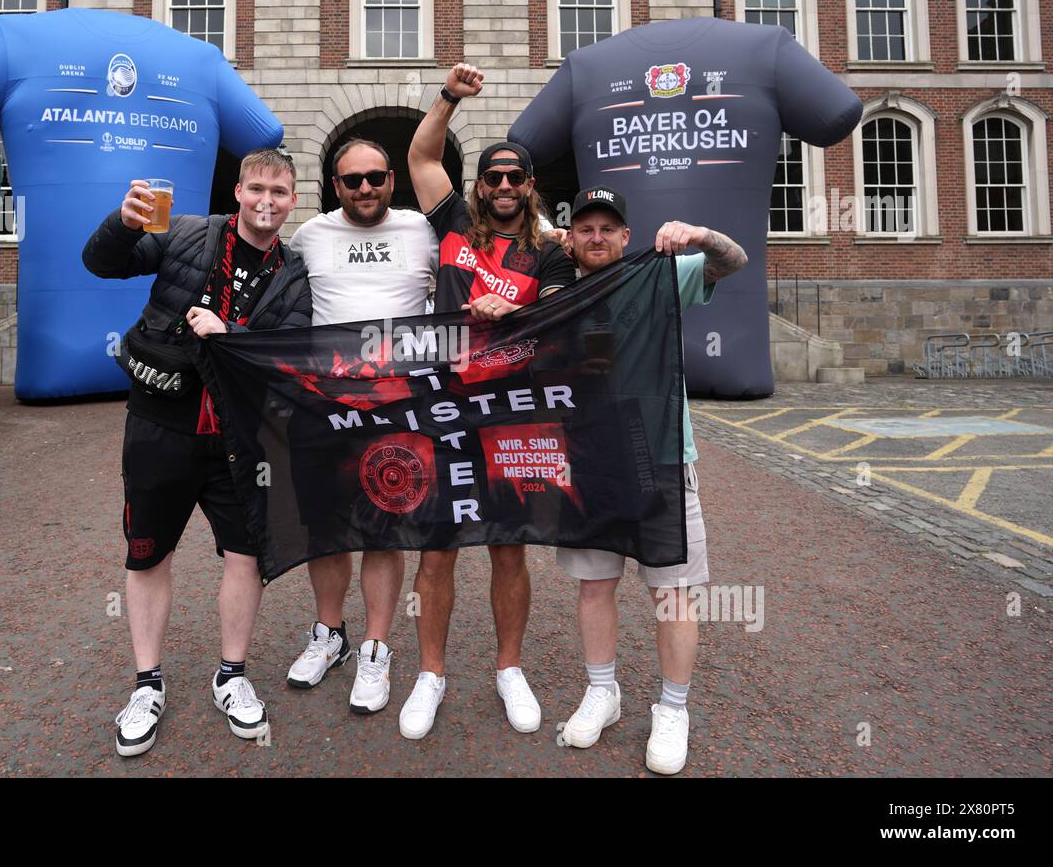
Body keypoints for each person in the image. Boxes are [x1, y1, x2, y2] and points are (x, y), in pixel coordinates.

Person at [82, 149, 312, 756]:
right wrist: (123, 223)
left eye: (280, 192)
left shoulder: (295, 272)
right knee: (148, 554)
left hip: (240, 437)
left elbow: (292, 354)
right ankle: (146, 683)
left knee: (244, 556)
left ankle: (232, 675)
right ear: (237, 191)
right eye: (257, 188)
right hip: (162, 424)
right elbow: (101, 264)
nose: (267, 201)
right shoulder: (183, 231)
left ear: (294, 200)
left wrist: (231, 336)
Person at [401, 62, 576, 739]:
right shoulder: (451, 219)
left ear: (531, 187)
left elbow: (562, 326)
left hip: (513, 412)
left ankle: (509, 669)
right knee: (438, 547)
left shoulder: (551, 252)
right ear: (479, 185)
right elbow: (419, 155)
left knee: (509, 546)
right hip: (445, 406)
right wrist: (447, 97)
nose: (503, 185)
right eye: (493, 176)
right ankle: (430, 674)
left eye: (515, 177)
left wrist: (517, 314)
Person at [553, 185, 747, 775]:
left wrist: (700, 234)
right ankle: (602, 690)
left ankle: (673, 706)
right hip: (587, 460)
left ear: (625, 236)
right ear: (571, 239)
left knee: (673, 592)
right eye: (584, 228)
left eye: (607, 228)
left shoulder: (663, 274)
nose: (596, 237)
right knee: (593, 587)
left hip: (661, 455)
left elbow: (733, 261)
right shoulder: (556, 296)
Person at [282, 138, 440, 713]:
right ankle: (330, 636)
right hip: (323, 405)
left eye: (375, 177)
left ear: (391, 179)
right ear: (335, 186)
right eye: (352, 181)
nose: (365, 188)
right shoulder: (309, 237)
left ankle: (376, 646)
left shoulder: (423, 231)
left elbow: (476, 277)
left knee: (383, 526)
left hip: (397, 407)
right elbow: (275, 306)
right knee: (325, 527)